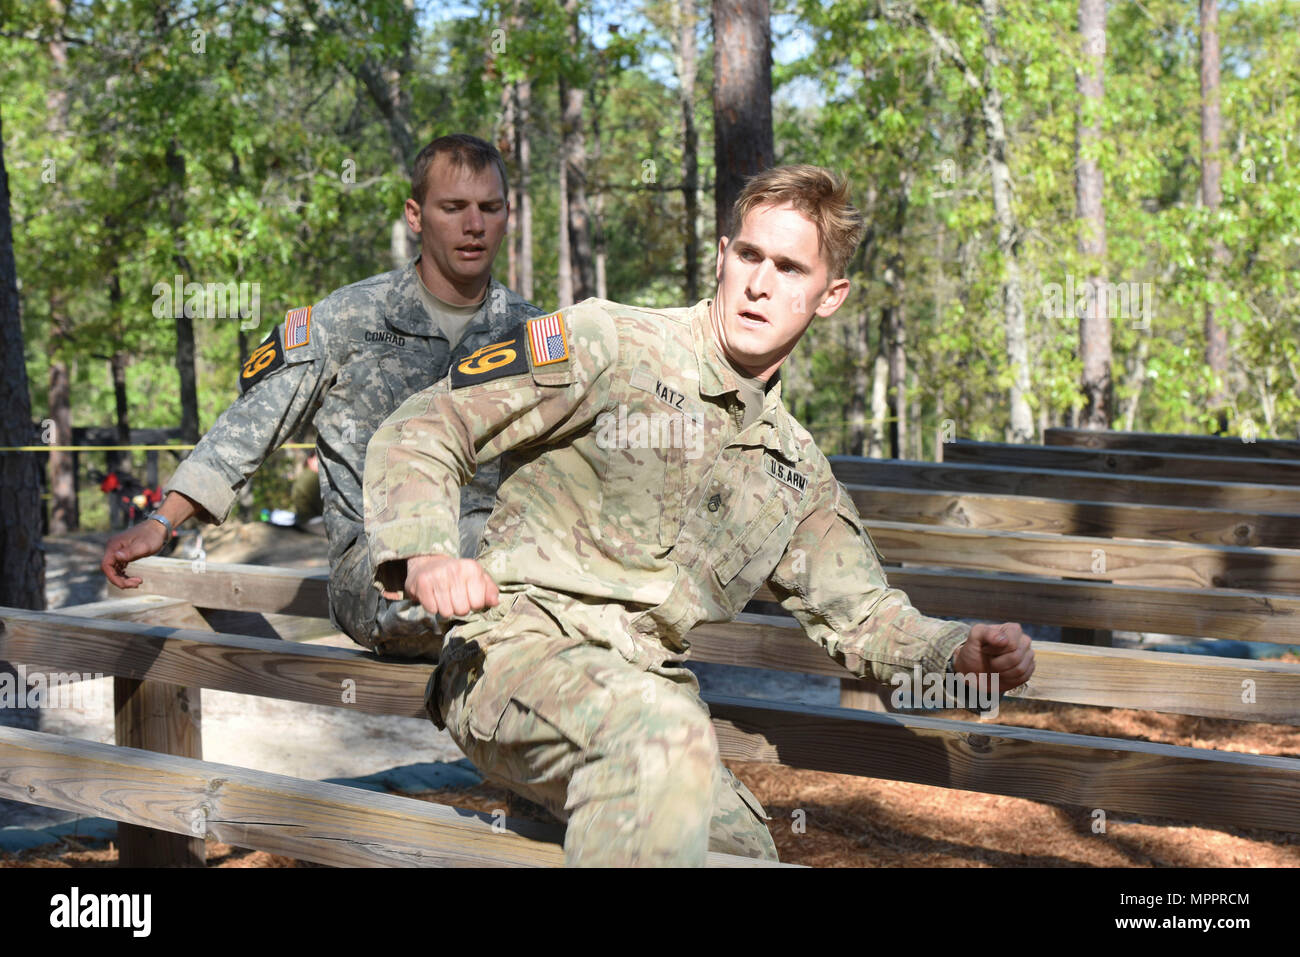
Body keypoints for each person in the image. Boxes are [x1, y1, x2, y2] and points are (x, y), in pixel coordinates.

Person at [363, 164, 1036, 865]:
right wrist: (427, 553)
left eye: (789, 267)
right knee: (658, 741)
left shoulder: (794, 469)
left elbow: (862, 613)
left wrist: (955, 651)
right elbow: (428, 425)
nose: (760, 282)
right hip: (517, 655)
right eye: (749, 255)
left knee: (742, 853)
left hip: (650, 698)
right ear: (723, 255)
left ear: (829, 295)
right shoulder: (611, 343)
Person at [100, 134, 545, 657]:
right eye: (454, 208)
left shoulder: (531, 334)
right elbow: (249, 428)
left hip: (499, 561)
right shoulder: (349, 319)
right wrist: (160, 522)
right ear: (415, 215)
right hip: (380, 571)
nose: (475, 226)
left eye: (490, 208)